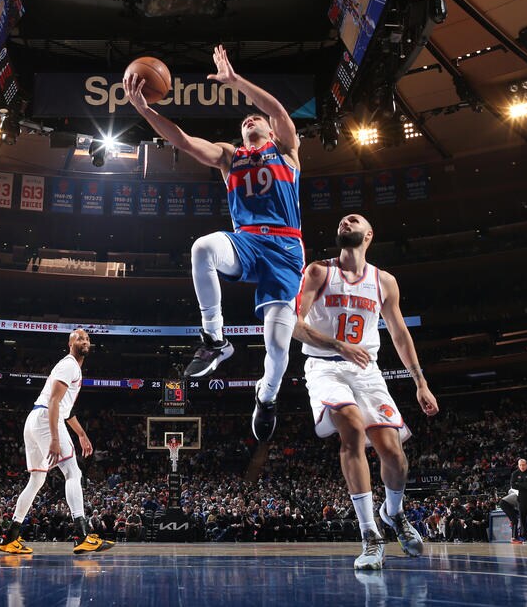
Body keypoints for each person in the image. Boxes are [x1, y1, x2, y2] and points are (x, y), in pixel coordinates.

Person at [125, 45, 302, 440]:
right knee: (202, 248)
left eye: (257, 118)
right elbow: (184, 141)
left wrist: (236, 81)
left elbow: (277, 110)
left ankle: (267, 396)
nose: (250, 119)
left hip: (286, 251)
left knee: (278, 345)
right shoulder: (228, 156)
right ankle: (215, 339)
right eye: (245, 120)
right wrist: (145, 111)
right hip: (247, 242)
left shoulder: (286, 150)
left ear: (271, 131)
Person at [290, 214, 438, 569]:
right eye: (342, 221)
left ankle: (393, 513)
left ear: (368, 235)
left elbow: (399, 334)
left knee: (394, 454)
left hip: (366, 370)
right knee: (352, 428)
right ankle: (370, 535)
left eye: (354, 220)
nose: (346, 222)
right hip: (325, 365)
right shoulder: (318, 272)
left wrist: (420, 382)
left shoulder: (384, 281)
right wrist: (337, 345)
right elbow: (293, 324)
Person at [0, 329, 113, 556]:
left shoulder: (72, 367)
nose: (84, 341)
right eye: (79, 338)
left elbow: (65, 410)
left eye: (87, 339)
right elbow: (54, 402)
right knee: (72, 472)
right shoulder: (69, 364)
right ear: (70, 343)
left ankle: (10, 537)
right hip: (46, 419)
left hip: (35, 419)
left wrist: (81, 434)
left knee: (37, 480)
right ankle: (82, 535)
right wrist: (55, 438)